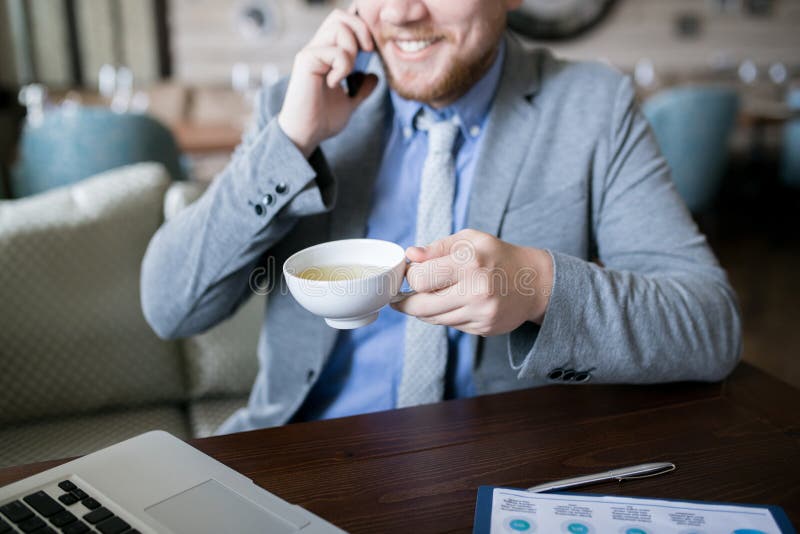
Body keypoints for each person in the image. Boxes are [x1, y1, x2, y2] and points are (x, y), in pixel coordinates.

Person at [140, 0, 741, 433]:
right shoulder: (293, 105)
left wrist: (536, 288)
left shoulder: (592, 107)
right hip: (300, 459)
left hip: (500, 473)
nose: (400, 12)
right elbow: (170, 306)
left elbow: (711, 328)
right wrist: (293, 139)